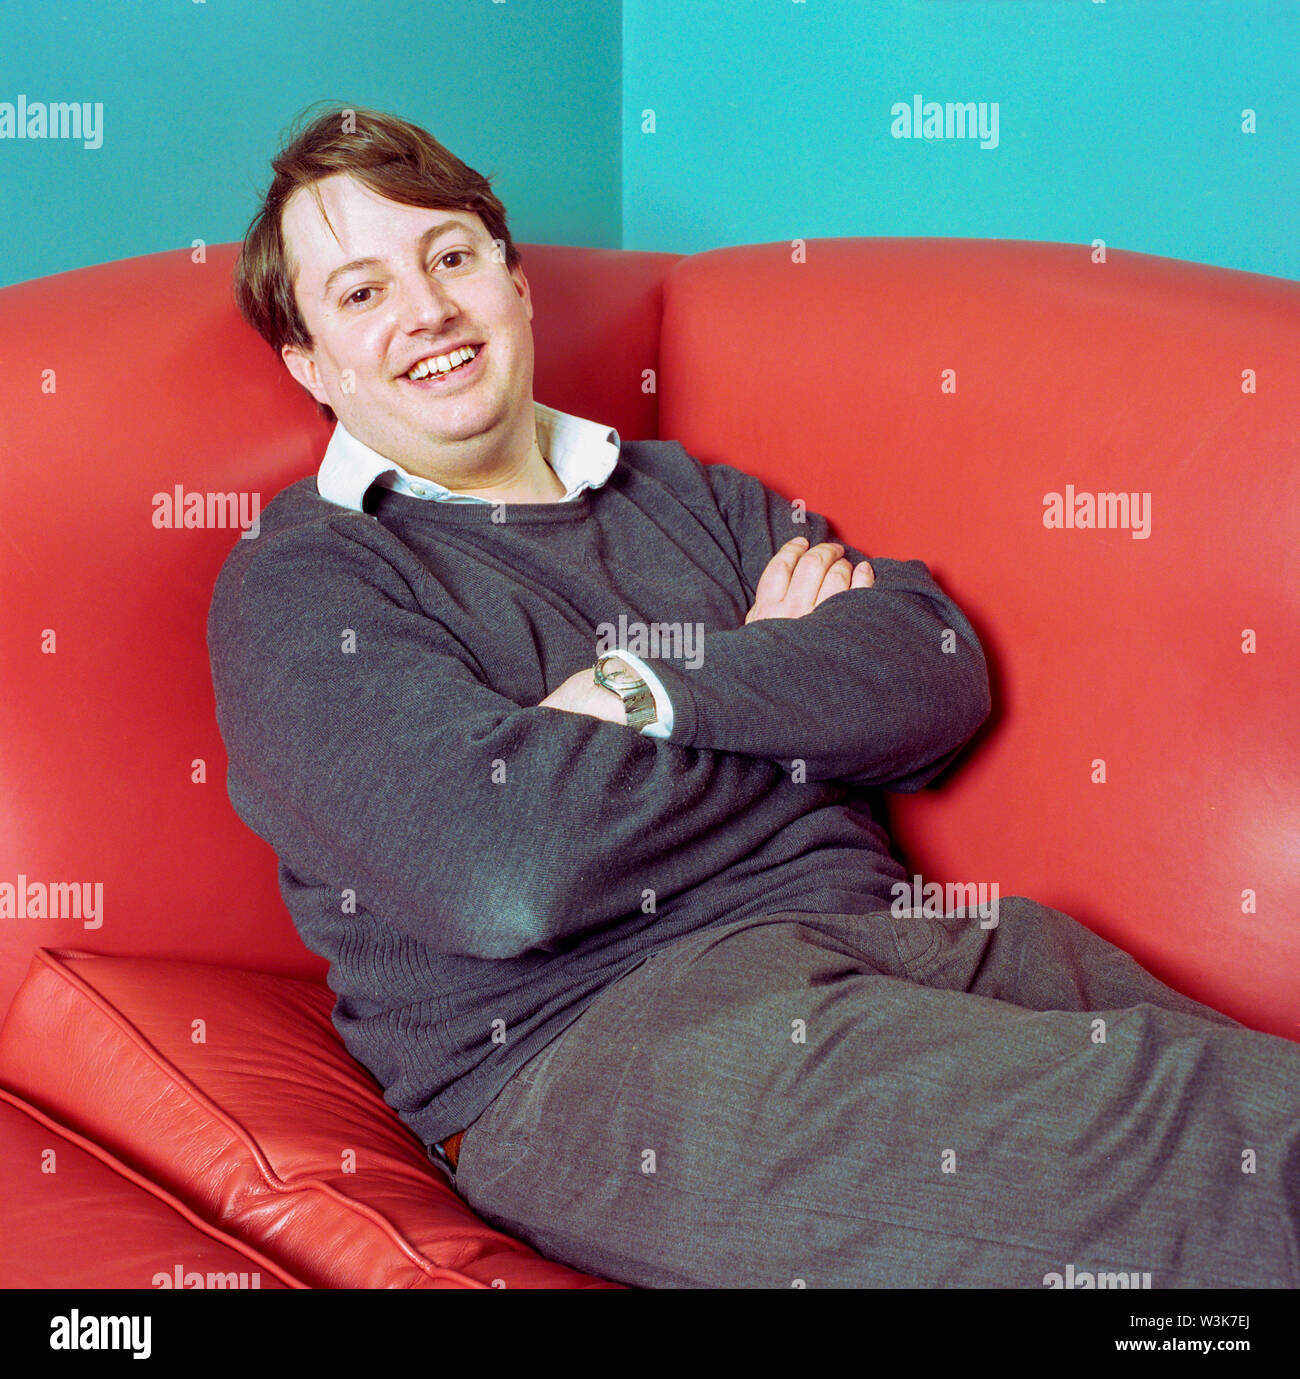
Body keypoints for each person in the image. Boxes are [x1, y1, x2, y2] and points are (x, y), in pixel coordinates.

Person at [208, 104, 1299, 1289]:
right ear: (311, 364)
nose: (426, 311)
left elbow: (929, 671)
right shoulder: (308, 580)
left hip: (907, 937)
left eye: (451, 257)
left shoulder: (679, 490)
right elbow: (502, 868)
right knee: (1237, 1160)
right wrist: (786, 693)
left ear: (516, 284)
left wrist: (635, 690)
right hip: (613, 1041)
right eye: (361, 293)